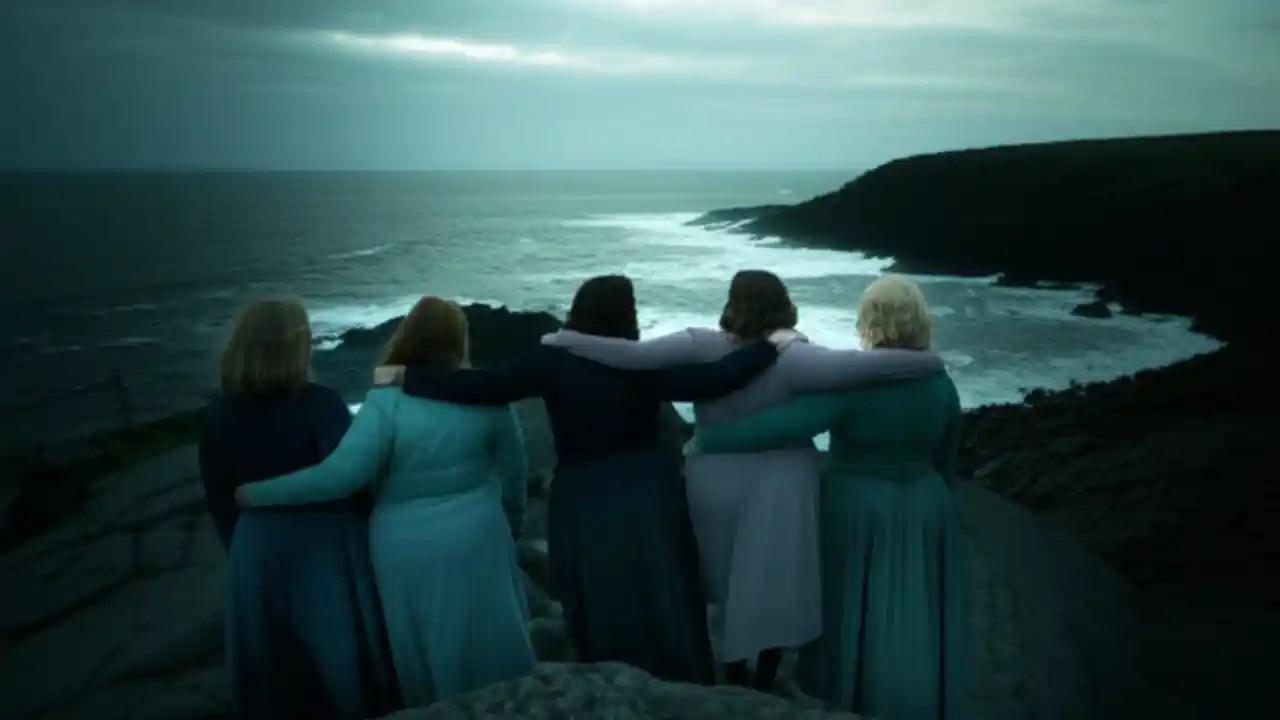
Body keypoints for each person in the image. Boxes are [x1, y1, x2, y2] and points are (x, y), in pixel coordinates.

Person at [374, 274, 790, 685]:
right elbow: (708, 383)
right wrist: (770, 347)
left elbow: (482, 385)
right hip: (648, 491)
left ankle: (610, 683)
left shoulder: (552, 359)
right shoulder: (634, 360)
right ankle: (680, 682)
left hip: (584, 495)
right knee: (663, 595)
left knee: (599, 596)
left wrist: (403, 378)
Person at [540, 269, 945, 690]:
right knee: (774, 580)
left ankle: (729, 667)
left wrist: (563, 341)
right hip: (783, 481)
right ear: (784, 303)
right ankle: (764, 674)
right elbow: (863, 368)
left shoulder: (700, 344)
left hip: (713, 481)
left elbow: (630, 356)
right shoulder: (795, 355)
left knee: (723, 580)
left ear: (733, 302)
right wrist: (930, 361)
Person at [690, 274, 971, 719]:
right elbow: (949, 456)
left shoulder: (854, 385)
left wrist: (708, 440)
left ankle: (856, 698)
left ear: (870, 321)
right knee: (918, 612)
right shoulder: (941, 383)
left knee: (854, 611)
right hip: (925, 505)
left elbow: (785, 425)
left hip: (856, 508)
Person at [236, 297, 535, 706]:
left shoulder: (385, 402)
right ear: (459, 341)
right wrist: (512, 524)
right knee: (492, 644)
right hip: (478, 533)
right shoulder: (487, 396)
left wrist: (257, 493)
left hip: (403, 545)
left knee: (424, 654)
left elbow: (340, 477)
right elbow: (514, 472)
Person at [198, 299, 398, 720]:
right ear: (296, 347)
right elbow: (351, 478)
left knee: (275, 672)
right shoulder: (319, 404)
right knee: (338, 661)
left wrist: (244, 556)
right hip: (322, 544)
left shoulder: (217, 414)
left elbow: (219, 499)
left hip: (256, 548)